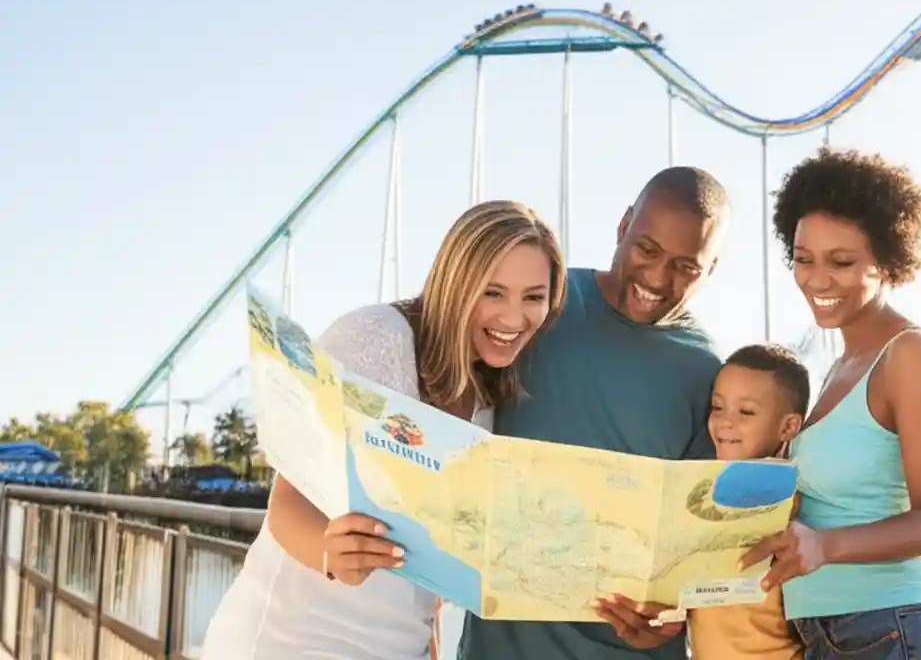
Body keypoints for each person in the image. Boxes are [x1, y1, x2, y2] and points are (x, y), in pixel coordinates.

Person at [200, 200, 568, 660]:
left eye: (533, 297)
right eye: (492, 293)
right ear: (456, 284)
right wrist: (331, 555)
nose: (514, 319)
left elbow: (428, 568)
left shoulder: (492, 401)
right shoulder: (373, 338)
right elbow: (286, 502)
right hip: (292, 640)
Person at [457, 166, 731, 660]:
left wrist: (672, 611)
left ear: (711, 268)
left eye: (685, 266)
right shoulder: (540, 307)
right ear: (623, 225)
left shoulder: (711, 375)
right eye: (647, 249)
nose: (657, 277)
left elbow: (702, 548)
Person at [740, 148, 921, 659]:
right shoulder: (837, 366)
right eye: (804, 260)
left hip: (899, 628)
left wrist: (825, 547)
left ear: (888, 260)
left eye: (842, 262)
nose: (818, 280)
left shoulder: (909, 354)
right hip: (831, 636)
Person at [687, 343, 807, 660]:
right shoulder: (696, 502)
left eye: (746, 412)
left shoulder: (797, 511)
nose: (726, 422)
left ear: (789, 427)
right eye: (717, 407)